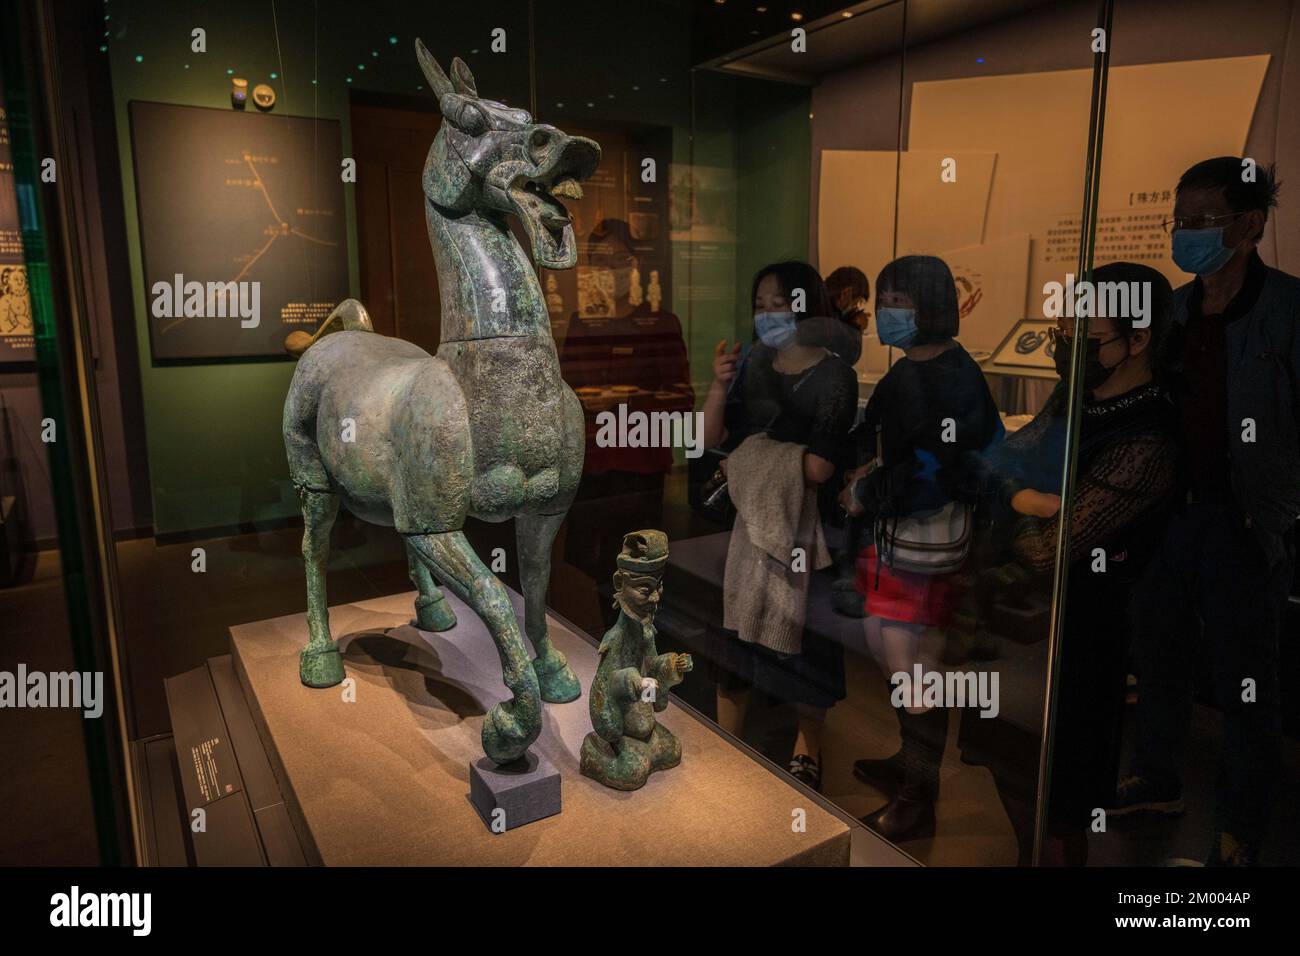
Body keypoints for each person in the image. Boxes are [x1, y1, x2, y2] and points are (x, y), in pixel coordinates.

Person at [958, 262, 1183, 866]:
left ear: (1138, 339)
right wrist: (1023, 496)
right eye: (1064, 331)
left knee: (1061, 793)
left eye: (1085, 334)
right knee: (1008, 763)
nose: (1068, 345)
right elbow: (1000, 460)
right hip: (1021, 622)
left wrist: (1012, 501)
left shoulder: (1150, 433)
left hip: (1082, 634)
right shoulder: (1078, 394)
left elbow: (1046, 548)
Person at [1112, 158, 1299, 866]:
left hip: (1244, 522)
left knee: (1247, 681)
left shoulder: (1288, 311)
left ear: (1250, 224)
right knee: (1157, 654)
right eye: (1179, 221)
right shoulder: (1176, 312)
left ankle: (1240, 828)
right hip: (1169, 516)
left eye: (1202, 220)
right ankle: (1158, 779)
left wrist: (1275, 511)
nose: (1186, 234)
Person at [841, 255, 1003, 841]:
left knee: (915, 665)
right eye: (884, 301)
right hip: (901, 538)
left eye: (898, 302)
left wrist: (869, 490)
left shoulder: (953, 377)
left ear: (931, 307)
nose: (885, 313)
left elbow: (942, 470)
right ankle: (911, 763)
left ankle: (918, 794)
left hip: (930, 541)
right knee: (887, 646)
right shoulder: (912, 369)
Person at [700, 260, 857, 791]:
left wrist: (745, 459)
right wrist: (719, 385)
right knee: (738, 638)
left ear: (807, 308)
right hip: (752, 525)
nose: (767, 316)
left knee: (807, 650)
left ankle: (807, 750)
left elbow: (819, 468)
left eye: (779, 305)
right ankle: (727, 744)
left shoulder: (835, 374)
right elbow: (710, 437)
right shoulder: (755, 362)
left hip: (808, 532)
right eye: (760, 306)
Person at [559, 220, 694, 625]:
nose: (609, 269)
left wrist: (627, 398)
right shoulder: (582, 324)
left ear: (633, 263)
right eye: (600, 260)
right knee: (595, 565)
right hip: (592, 465)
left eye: (618, 259)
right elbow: (564, 392)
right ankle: (609, 643)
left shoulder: (660, 323)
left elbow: (682, 401)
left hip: (638, 468)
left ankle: (638, 647)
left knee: (639, 572)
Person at [826, 265, 871, 333]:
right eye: (854, 303)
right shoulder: (820, 310)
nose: (854, 308)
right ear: (846, 293)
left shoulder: (826, 304)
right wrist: (856, 326)